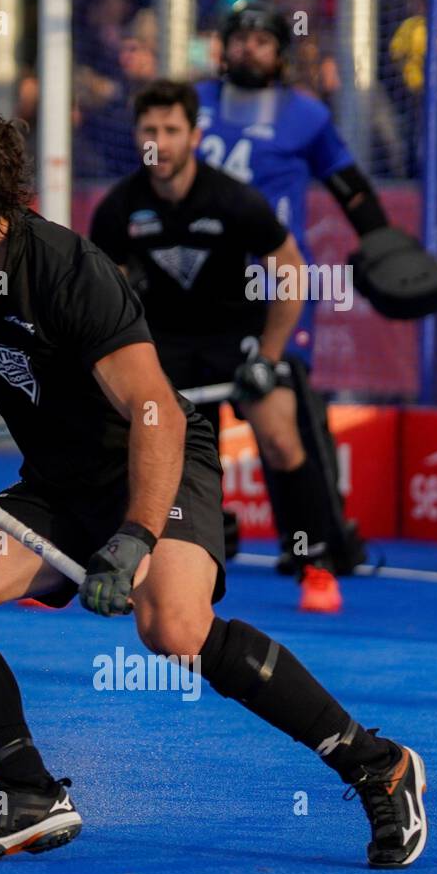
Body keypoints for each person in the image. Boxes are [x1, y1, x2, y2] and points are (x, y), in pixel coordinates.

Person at [0, 101, 427, 867]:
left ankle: (377, 764)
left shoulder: (67, 271)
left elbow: (157, 416)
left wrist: (135, 536)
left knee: (171, 626)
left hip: (157, 460)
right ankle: (28, 789)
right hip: (59, 484)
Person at [195, 0, 437, 582]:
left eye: (263, 39)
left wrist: (382, 244)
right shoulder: (192, 106)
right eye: (240, 37)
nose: (250, 47)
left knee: (293, 419)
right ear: (223, 47)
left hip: (275, 287)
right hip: (196, 291)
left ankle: (316, 543)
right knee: (188, 417)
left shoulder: (305, 115)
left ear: (282, 53)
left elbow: (350, 188)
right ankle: (205, 532)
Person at [90, 79, 339, 612]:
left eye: (172, 130)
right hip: (164, 346)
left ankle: (314, 563)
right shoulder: (118, 208)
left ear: (195, 136)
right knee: (118, 436)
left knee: (278, 429)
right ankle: (94, 560)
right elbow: (103, 300)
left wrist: (269, 358)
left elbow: (292, 270)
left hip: (237, 341)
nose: (160, 141)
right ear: (137, 137)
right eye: (150, 130)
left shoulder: (231, 198)